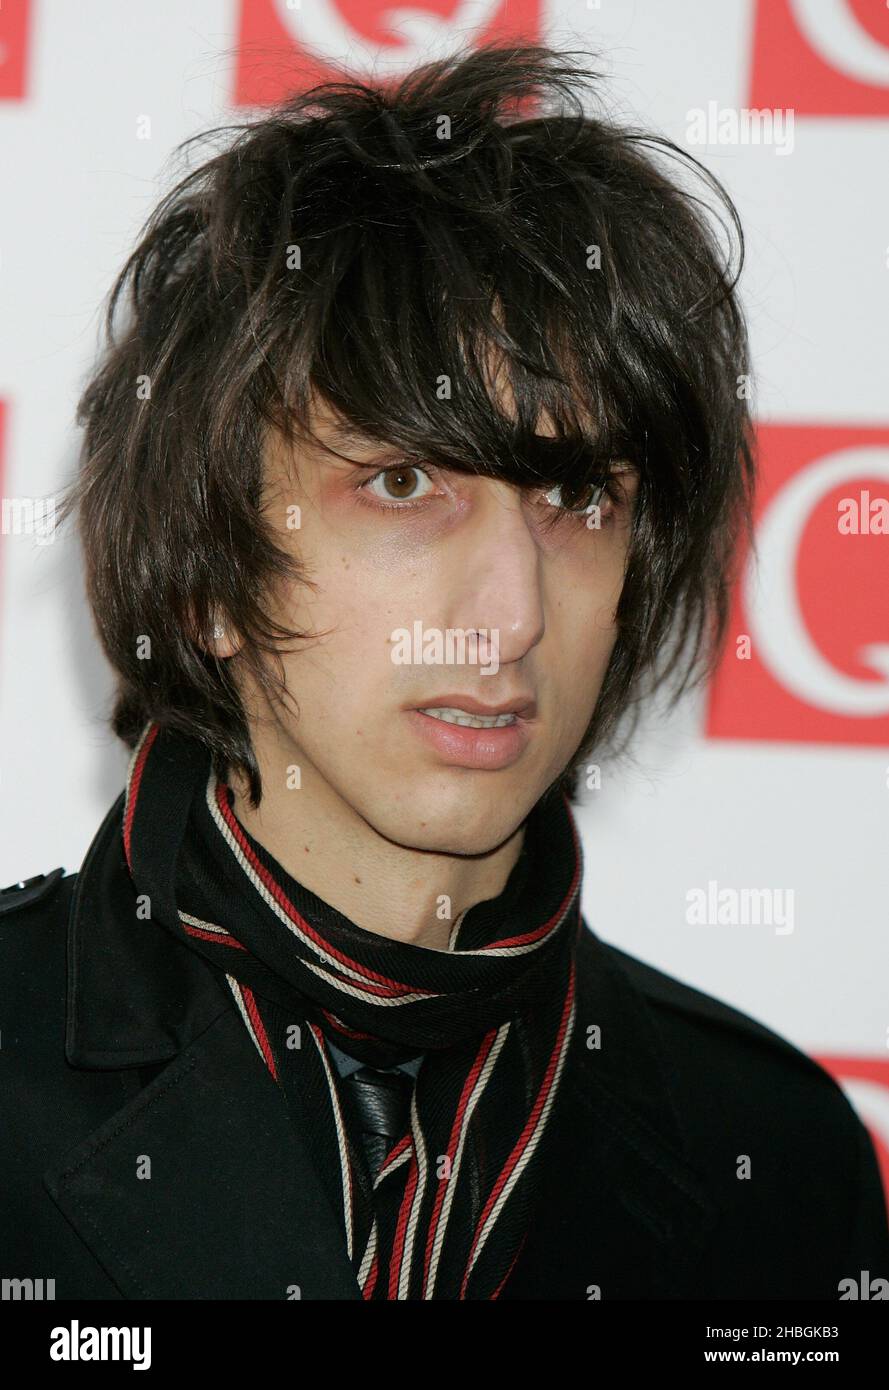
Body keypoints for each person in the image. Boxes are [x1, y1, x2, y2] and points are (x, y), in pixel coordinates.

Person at [1, 40, 886, 1303]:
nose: (511, 614)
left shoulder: (775, 1155)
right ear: (207, 572)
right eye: (404, 484)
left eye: (578, 497)